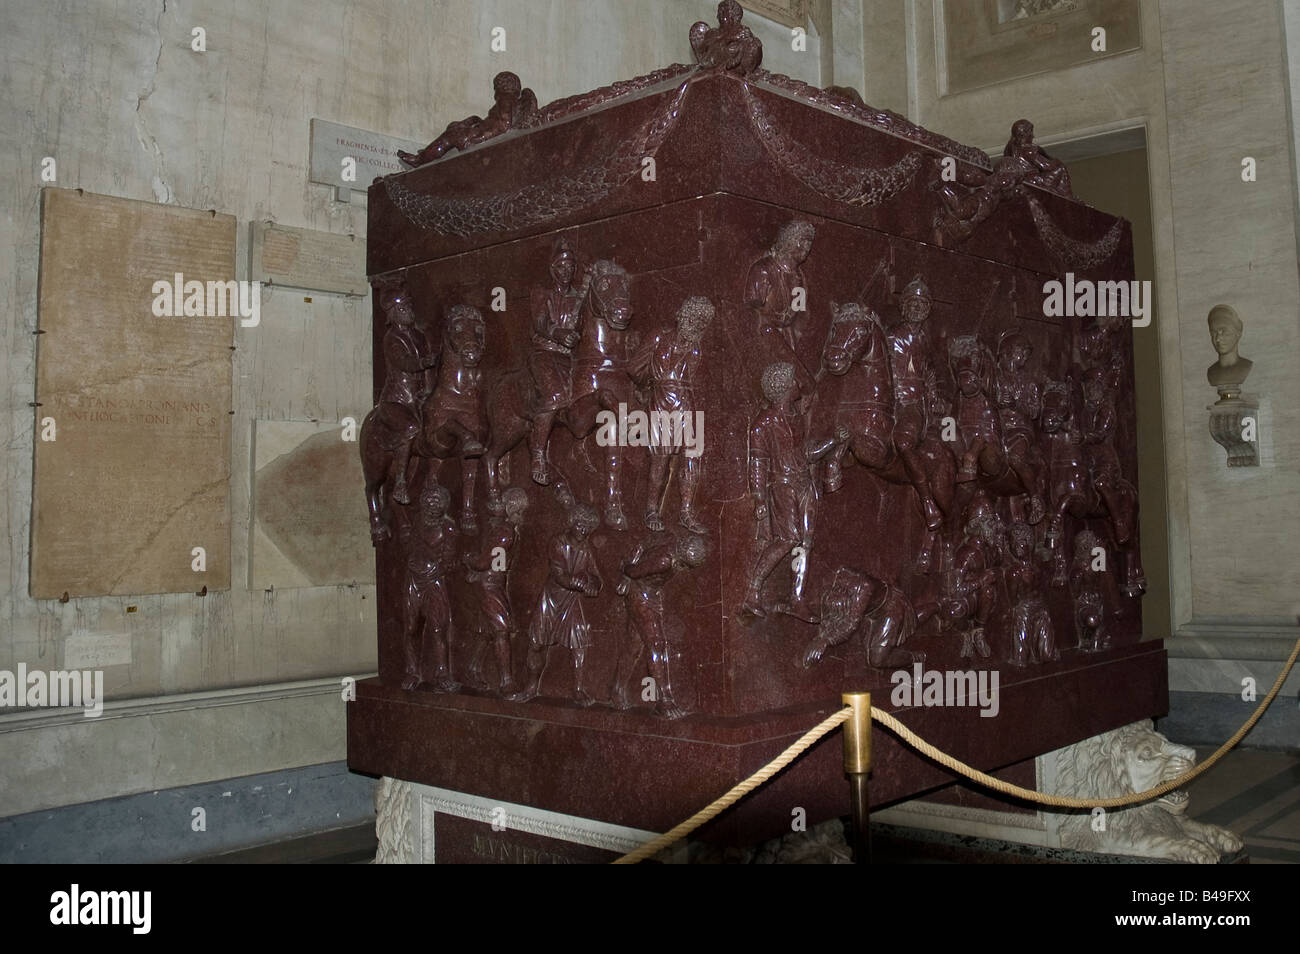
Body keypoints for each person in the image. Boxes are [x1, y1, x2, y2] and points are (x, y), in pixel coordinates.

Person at [742, 362, 842, 622]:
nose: (799, 385)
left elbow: (806, 453)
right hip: (782, 485)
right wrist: (759, 498)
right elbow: (758, 464)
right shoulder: (762, 424)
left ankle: (796, 598)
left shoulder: (796, 417)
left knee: (806, 541)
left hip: (804, 483)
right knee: (788, 538)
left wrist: (833, 441)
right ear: (785, 387)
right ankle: (753, 590)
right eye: (794, 382)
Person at [630, 296, 713, 533]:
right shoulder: (659, 337)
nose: (698, 326)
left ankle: (686, 512)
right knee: (661, 459)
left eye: (702, 323)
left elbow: (698, 379)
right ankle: (651, 510)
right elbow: (635, 368)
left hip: (686, 404)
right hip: (661, 402)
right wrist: (649, 388)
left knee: (691, 457)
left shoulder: (695, 348)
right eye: (695, 320)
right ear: (685, 316)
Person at [514, 502, 603, 703]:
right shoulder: (558, 542)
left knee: (579, 644)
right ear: (571, 522)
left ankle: (578, 689)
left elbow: (597, 578)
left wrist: (592, 584)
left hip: (571, 602)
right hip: (552, 599)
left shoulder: (587, 550)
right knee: (537, 643)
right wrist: (578, 582)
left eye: (587, 527)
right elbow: (558, 574)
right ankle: (530, 686)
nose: (583, 530)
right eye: (579, 524)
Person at [612, 533, 707, 719]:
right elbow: (634, 572)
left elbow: (643, 543)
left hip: (651, 596)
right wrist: (626, 573)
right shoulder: (664, 561)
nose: (686, 567)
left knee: (634, 645)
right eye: (686, 563)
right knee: (656, 644)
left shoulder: (672, 545)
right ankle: (664, 699)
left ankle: (617, 689)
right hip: (640, 596)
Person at [889, 276, 945, 530]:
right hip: (889, 400)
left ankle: (927, 500)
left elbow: (930, 374)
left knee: (903, 441)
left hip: (913, 404)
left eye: (923, 305)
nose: (917, 309)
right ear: (904, 306)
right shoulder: (890, 336)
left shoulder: (925, 341)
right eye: (913, 303)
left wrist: (934, 398)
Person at [527, 239, 585, 485]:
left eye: (570, 267)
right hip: (545, 353)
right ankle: (538, 454)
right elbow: (540, 322)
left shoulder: (579, 297)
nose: (566, 272)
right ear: (553, 269)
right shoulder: (542, 293)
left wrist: (577, 333)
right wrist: (559, 333)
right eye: (561, 267)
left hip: (570, 357)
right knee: (554, 397)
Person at [374, 286, 437, 506]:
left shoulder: (418, 336)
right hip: (397, 400)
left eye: (410, 306)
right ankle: (400, 482)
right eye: (405, 307)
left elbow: (427, 370)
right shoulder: (392, 338)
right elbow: (404, 362)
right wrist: (423, 363)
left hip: (419, 398)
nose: (410, 310)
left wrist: (430, 391)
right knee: (411, 428)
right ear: (394, 311)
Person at [463, 487, 528, 695]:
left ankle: (472, 668)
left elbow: (495, 562)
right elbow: (485, 562)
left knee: (487, 631)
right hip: (489, 585)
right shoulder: (504, 532)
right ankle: (506, 681)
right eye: (518, 510)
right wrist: (470, 560)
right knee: (502, 629)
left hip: (494, 583)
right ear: (510, 508)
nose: (521, 515)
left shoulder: (503, 529)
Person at [397, 71, 538, 167]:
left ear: (501, 86)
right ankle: (429, 154)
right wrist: (474, 120)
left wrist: (479, 137)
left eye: (495, 87)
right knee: (455, 127)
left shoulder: (506, 98)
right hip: (482, 132)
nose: (495, 91)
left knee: (450, 136)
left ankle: (419, 160)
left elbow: (504, 125)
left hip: (481, 136)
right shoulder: (511, 100)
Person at [399, 484, 458, 692]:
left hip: (434, 581)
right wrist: (406, 536)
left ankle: (442, 672)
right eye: (429, 499)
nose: (433, 504)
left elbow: (450, 560)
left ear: (444, 504)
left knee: (438, 627)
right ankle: (412, 670)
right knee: (411, 627)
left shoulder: (448, 527)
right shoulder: (415, 523)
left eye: (437, 500)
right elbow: (408, 549)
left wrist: (437, 568)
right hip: (413, 579)